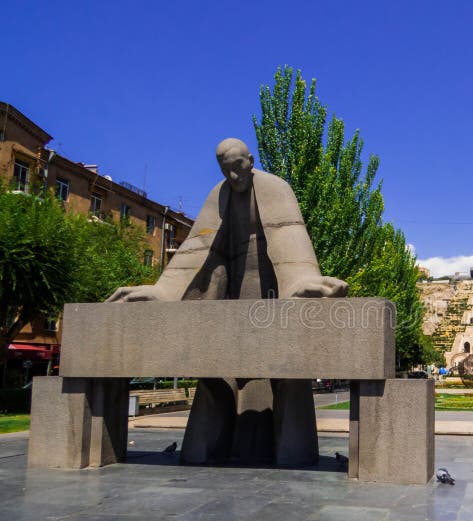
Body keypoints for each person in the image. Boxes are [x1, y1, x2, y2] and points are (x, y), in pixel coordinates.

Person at [108, 138, 347, 466]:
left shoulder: (276, 188)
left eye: (238, 166)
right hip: (232, 296)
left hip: (271, 294)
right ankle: (208, 447)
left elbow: (291, 235)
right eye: (226, 170)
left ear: (251, 160)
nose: (234, 176)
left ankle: (292, 451)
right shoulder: (217, 196)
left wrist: (302, 281)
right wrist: (163, 292)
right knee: (216, 375)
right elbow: (195, 249)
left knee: (289, 376)